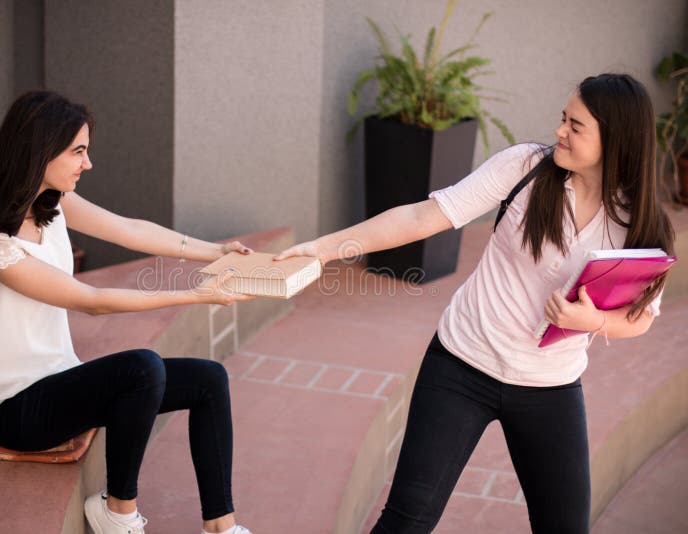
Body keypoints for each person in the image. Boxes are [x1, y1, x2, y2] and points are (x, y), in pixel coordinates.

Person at [275, 73, 674, 533]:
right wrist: (325, 248)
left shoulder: (640, 225)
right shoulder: (525, 167)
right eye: (563, 119)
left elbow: (640, 318)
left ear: (617, 138)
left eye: (576, 126)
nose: (560, 131)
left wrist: (594, 320)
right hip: (460, 366)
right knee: (406, 521)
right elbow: (424, 215)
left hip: (550, 387)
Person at [0, 90, 254, 534]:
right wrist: (198, 294)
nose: (87, 163)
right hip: (12, 409)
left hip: (58, 379)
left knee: (209, 380)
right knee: (140, 368)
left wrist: (216, 252)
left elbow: (130, 231)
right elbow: (89, 301)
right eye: (78, 151)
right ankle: (118, 514)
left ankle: (222, 526)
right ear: (40, 150)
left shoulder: (51, 203)